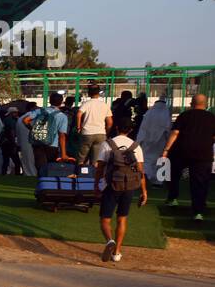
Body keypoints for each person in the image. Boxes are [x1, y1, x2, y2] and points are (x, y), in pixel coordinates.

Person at [94, 129, 147, 263]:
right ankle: (117, 252)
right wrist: (144, 191)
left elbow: (100, 167)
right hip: (129, 186)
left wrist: (96, 185)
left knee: (105, 219)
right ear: (130, 130)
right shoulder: (136, 146)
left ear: (117, 128)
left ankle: (109, 240)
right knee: (122, 218)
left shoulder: (108, 144)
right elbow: (141, 172)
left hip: (111, 185)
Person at [160, 93, 215, 221]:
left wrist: (166, 149)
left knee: (173, 174)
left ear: (191, 104)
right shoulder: (212, 118)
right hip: (203, 154)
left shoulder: (184, 115)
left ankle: (173, 198)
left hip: (182, 151)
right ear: (206, 104)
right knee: (200, 182)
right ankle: (198, 211)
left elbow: (175, 133)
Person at [22, 92, 71, 172]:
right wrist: (63, 153)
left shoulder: (40, 111)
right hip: (52, 144)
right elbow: (62, 135)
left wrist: (32, 129)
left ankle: (40, 182)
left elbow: (25, 120)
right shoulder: (62, 116)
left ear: (50, 100)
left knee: (40, 167)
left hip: (37, 142)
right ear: (61, 102)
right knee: (50, 168)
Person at [76, 84, 111, 166]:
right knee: (96, 159)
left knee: (82, 157)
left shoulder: (86, 104)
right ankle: (93, 175)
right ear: (99, 93)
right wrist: (106, 132)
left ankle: (80, 173)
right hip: (100, 133)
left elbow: (79, 114)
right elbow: (110, 122)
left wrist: (78, 127)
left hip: (87, 133)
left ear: (89, 93)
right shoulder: (105, 105)